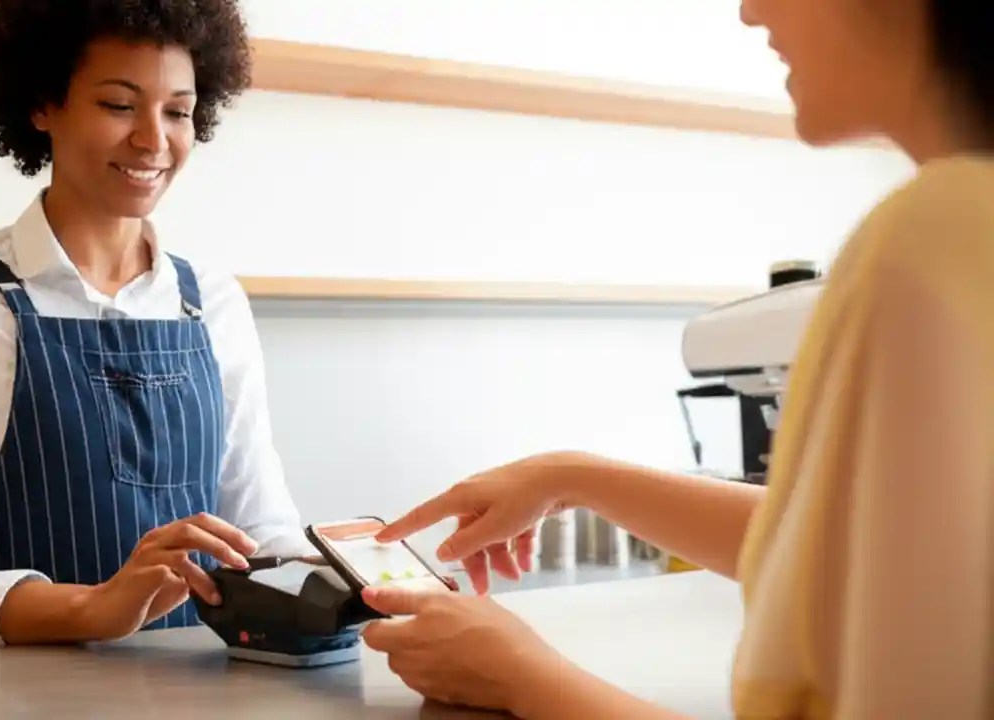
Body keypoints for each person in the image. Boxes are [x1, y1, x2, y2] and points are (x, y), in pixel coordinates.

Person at [359, 1, 994, 718]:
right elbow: (860, 558)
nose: (752, 11)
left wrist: (524, 679)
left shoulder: (929, 242)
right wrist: (569, 474)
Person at [0, 0, 310, 656]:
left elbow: (263, 535)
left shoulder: (214, 304)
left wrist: (350, 582)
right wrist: (90, 607)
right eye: (119, 105)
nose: (153, 139)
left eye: (177, 111)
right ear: (41, 103)